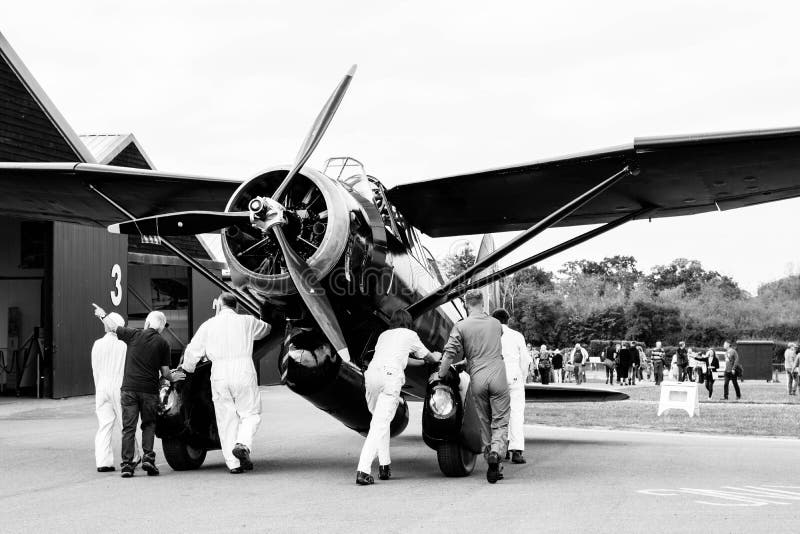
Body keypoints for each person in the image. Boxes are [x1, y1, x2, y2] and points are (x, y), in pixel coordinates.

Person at [180, 293, 272, 474]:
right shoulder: (247, 321)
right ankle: (243, 444)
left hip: (219, 374)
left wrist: (188, 370)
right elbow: (267, 329)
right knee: (250, 413)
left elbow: (192, 352)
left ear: (219, 307)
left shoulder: (208, 325)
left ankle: (233, 464)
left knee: (226, 419)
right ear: (236, 307)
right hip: (243, 370)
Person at [356, 310, 440, 485]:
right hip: (389, 377)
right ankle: (363, 470)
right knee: (379, 425)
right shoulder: (410, 334)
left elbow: (405, 358)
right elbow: (429, 357)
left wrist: (423, 362)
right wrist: (435, 357)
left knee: (380, 422)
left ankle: (384, 466)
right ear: (408, 323)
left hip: (372, 376)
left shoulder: (384, 335)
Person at [94, 306, 180, 478]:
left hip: (129, 390)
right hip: (149, 391)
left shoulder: (134, 335)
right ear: (161, 328)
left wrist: (102, 315)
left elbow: (112, 327)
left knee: (128, 427)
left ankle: (126, 465)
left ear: (147, 322)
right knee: (148, 425)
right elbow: (165, 373)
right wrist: (174, 377)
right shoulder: (164, 344)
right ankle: (148, 458)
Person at [438, 290, 509, 484]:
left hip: (478, 377)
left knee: (484, 421)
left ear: (466, 305)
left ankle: (490, 458)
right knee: (501, 421)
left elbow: (449, 353)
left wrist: (442, 374)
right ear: (483, 303)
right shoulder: (496, 324)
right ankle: (496, 452)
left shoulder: (461, 326)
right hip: (498, 375)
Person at [91, 312, 140, 472]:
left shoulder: (97, 344)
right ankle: (134, 456)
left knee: (104, 425)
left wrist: (98, 388)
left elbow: (95, 370)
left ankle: (103, 462)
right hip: (120, 387)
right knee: (126, 424)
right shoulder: (125, 344)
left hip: (102, 387)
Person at [492, 308, 530, 465]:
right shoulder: (517, 336)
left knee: (498, 414)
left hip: (495, 376)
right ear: (508, 320)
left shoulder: (491, 336)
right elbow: (525, 360)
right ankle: (517, 451)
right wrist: (522, 377)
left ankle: (501, 448)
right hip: (514, 376)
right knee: (516, 413)